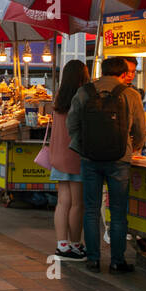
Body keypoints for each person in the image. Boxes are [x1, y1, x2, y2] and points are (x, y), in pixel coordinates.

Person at [69, 55, 144, 272]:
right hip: (119, 160)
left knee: (91, 209)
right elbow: (140, 129)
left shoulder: (84, 92)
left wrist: (82, 146)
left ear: (102, 71)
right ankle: (117, 261)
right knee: (118, 212)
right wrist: (132, 148)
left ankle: (93, 259)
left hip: (89, 159)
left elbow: (72, 124)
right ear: (123, 74)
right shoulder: (131, 94)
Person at [48, 59, 89, 262]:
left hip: (58, 155)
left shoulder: (59, 95)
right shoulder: (82, 96)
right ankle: (74, 244)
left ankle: (61, 245)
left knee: (63, 202)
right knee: (77, 204)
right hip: (75, 155)